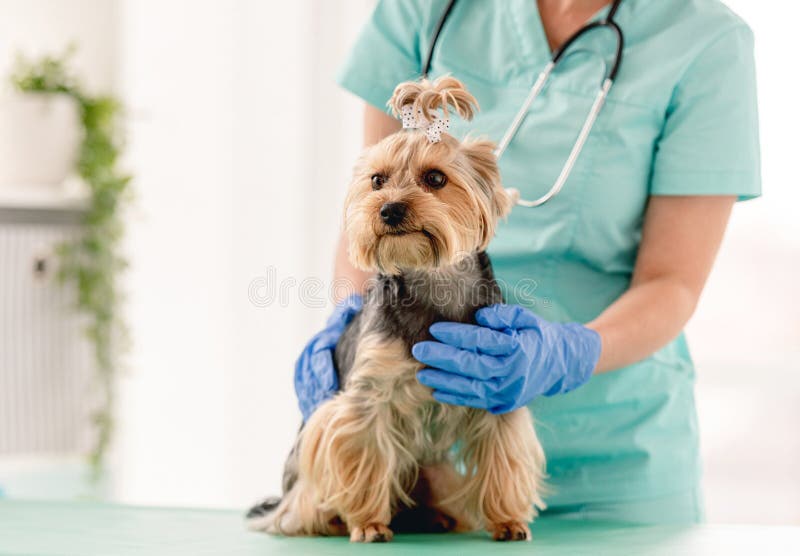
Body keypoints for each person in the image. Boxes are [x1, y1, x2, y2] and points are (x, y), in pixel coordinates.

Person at [294, 0, 760, 524]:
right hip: (416, 479)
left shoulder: (705, 40)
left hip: (618, 466)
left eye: (433, 180)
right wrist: (353, 327)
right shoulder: (423, 8)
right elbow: (376, 211)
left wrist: (571, 352)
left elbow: (672, 280)